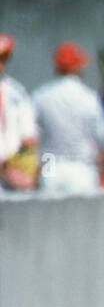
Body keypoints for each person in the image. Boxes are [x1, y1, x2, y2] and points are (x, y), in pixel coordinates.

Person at [32, 41, 104, 194]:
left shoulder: (40, 96)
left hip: (50, 164)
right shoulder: (89, 97)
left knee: (47, 216)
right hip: (81, 166)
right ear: (79, 67)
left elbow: (33, 135)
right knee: (83, 217)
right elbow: (102, 135)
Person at [0, 33, 40, 192]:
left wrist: (28, 171)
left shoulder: (16, 91)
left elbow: (29, 137)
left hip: (12, 172)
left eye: (4, 58)